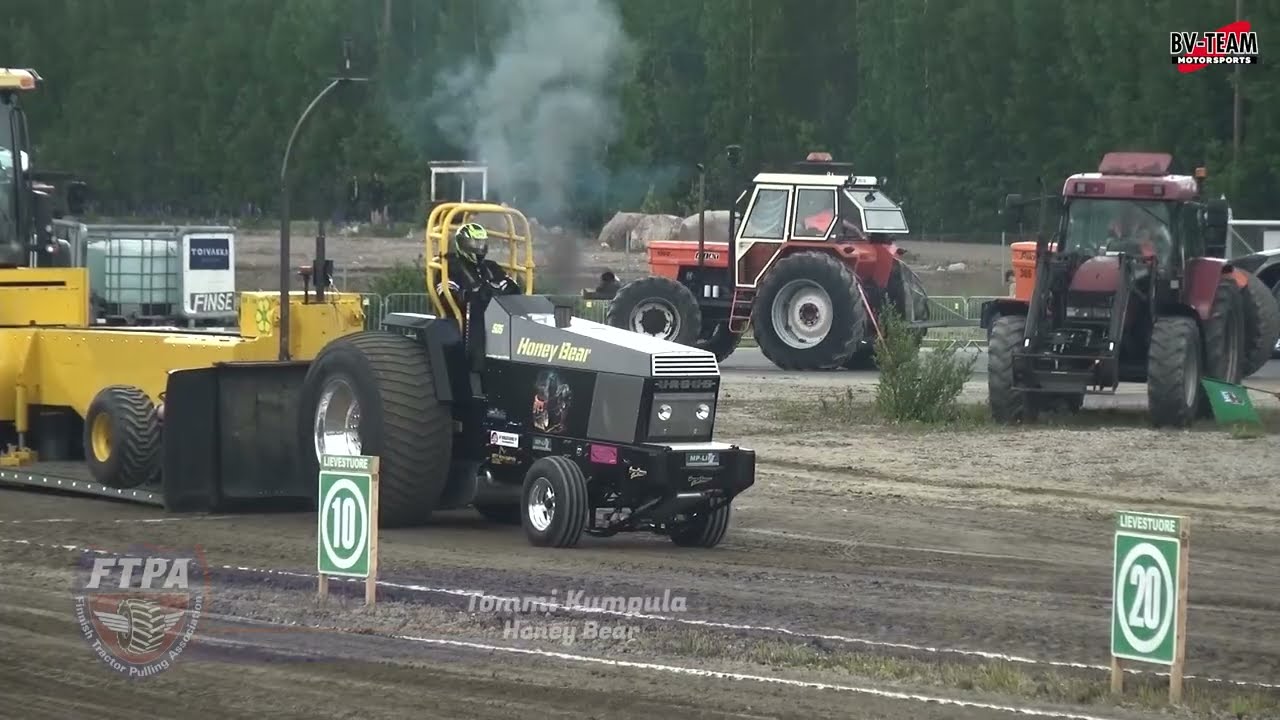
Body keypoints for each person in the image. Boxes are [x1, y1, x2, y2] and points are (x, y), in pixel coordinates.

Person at [435, 222, 521, 321]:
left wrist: (496, 291)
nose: (479, 247)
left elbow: (512, 288)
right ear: (463, 243)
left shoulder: (491, 267)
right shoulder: (450, 268)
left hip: (495, 322)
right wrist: (476, 295)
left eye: (481, 243)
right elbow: (448, 298)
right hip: (464, 323)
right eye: (475, 242)